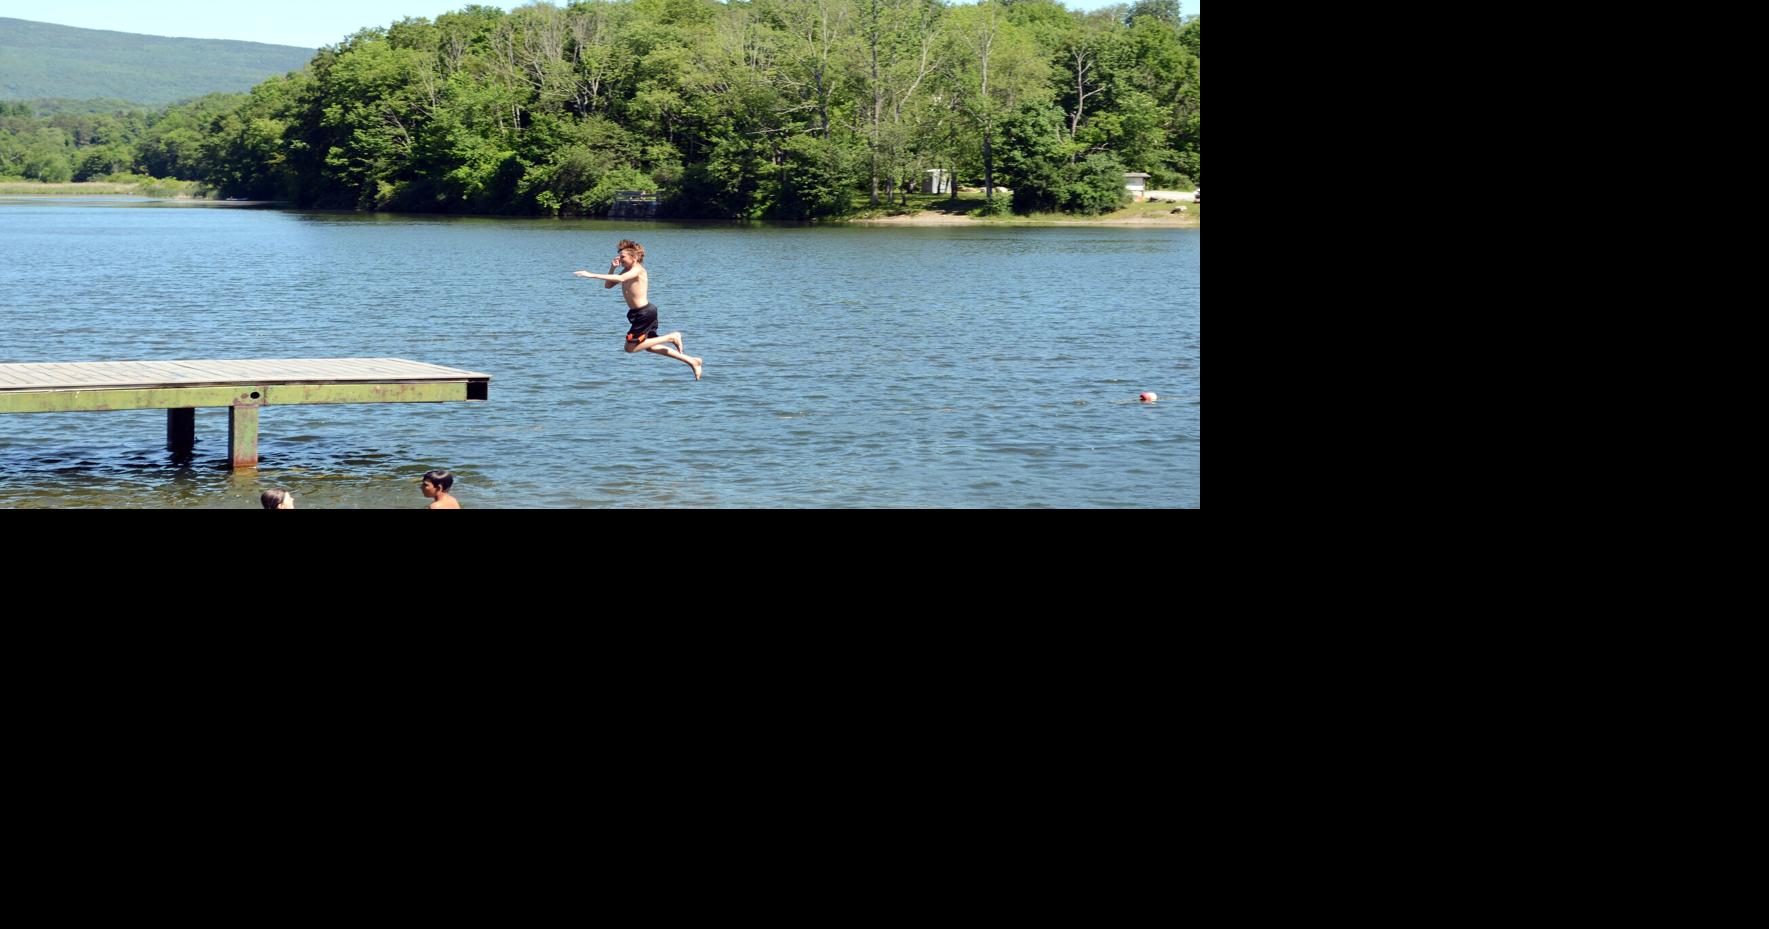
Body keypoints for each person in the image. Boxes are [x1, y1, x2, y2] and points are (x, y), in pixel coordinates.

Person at [574, 239, 703, 379]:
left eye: (622, 256)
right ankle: (692, 361)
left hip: (644, 314)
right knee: (651, 346)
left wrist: (591, 274)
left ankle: (671, 337)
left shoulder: (638, 270)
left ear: (634, 257)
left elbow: (621, 279)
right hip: (640, 313)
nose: (619, 259)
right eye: (619, 256)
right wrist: (612, 268)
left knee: (630, 348)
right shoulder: (627, 270)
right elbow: (608, 286)